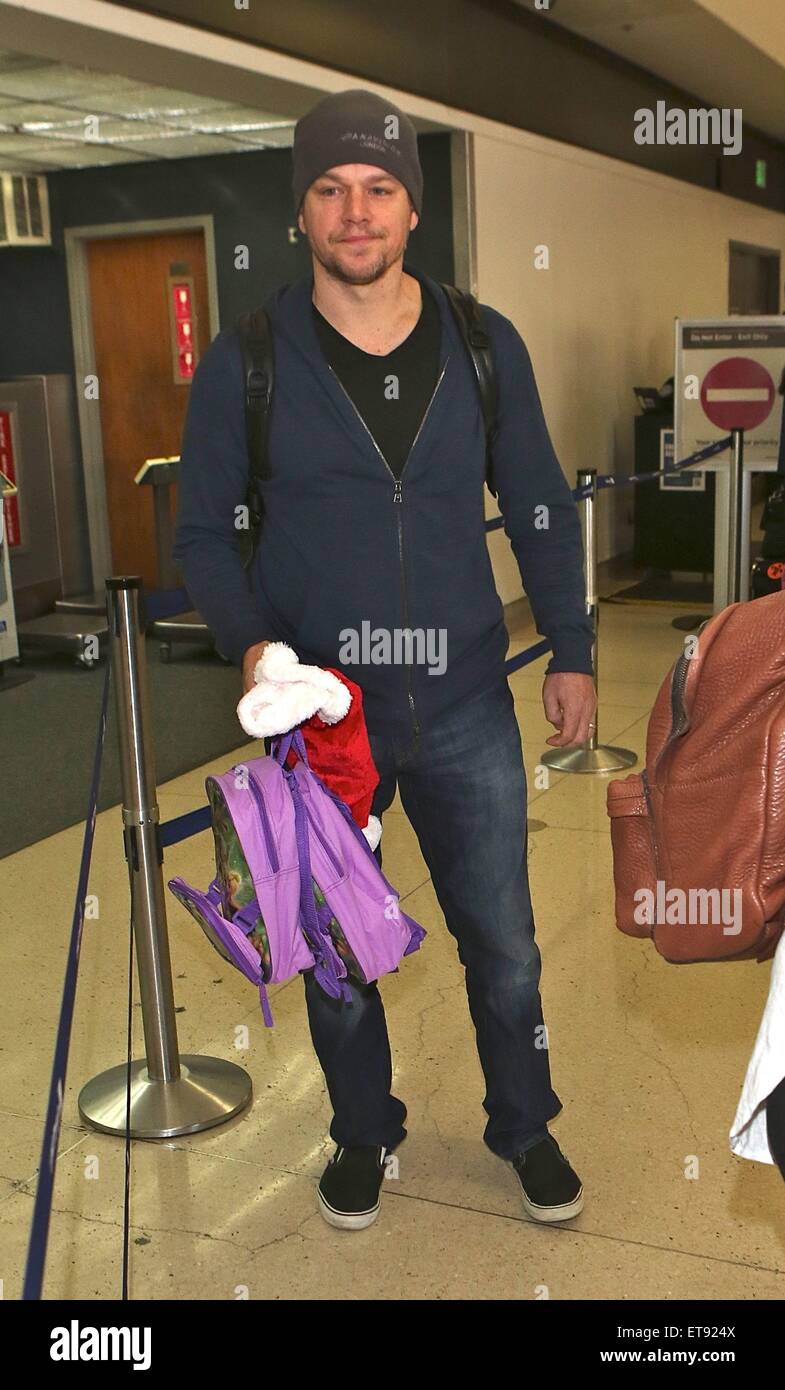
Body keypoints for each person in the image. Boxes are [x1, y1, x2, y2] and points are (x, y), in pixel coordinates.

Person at [174, 88, 597, 1231]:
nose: (353, 212)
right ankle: (361, 1133)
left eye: (376, 189)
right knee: (336, 955)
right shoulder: (248, 360)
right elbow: (202, 533)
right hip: (321, 722)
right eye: (328, 190)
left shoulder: (478, 341)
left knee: (503, 944)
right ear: (301, 211)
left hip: (464, 698)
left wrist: (571, 644)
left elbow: (544, 505)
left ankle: (525, 1122)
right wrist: (260, 649)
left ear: (411, 209)